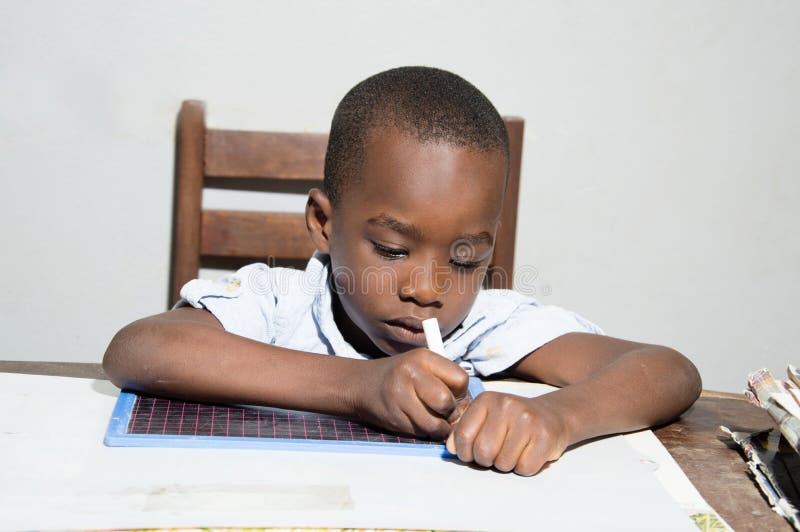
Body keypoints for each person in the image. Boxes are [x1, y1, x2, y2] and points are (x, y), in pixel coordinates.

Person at [103, 66, 701, 476]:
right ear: (322, 224)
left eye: (466, 257)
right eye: (392, 249)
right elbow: (139, 348)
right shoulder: (280, 300)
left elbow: (668, 371)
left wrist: (555, 418)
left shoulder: (485, 324)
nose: (427, 289)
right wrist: (362, 388)